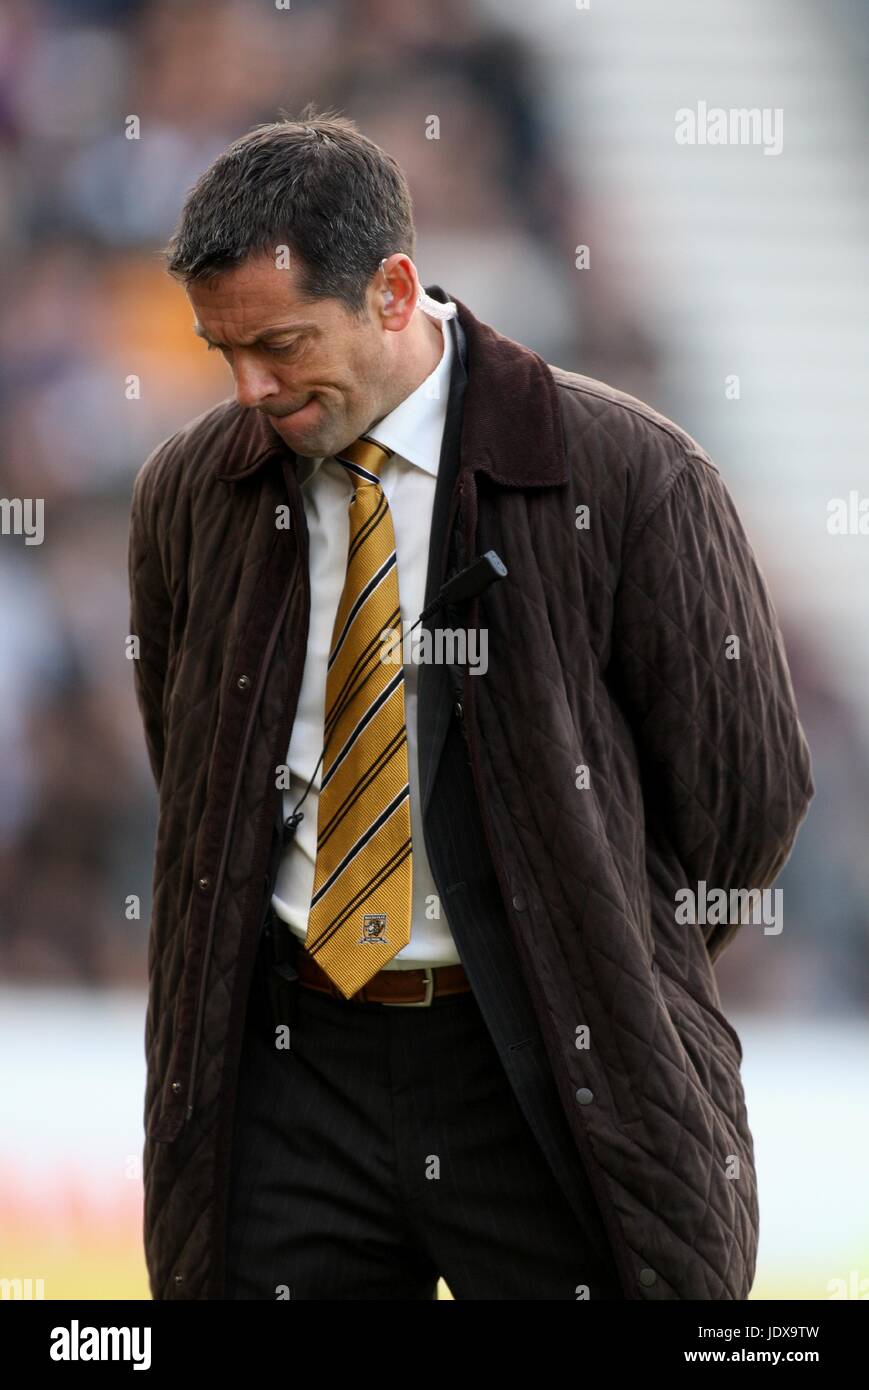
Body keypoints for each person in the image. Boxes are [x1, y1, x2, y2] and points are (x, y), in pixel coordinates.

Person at [128, 106, 814, 1301]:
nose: (248, 388)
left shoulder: (629, 474)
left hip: (549, 1066)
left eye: (280, 345)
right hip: (288, 1076)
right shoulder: (192, 490)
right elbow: (189, 761)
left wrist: (576, 941)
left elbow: (742, 798)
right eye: (220, 350)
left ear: (392, 291)